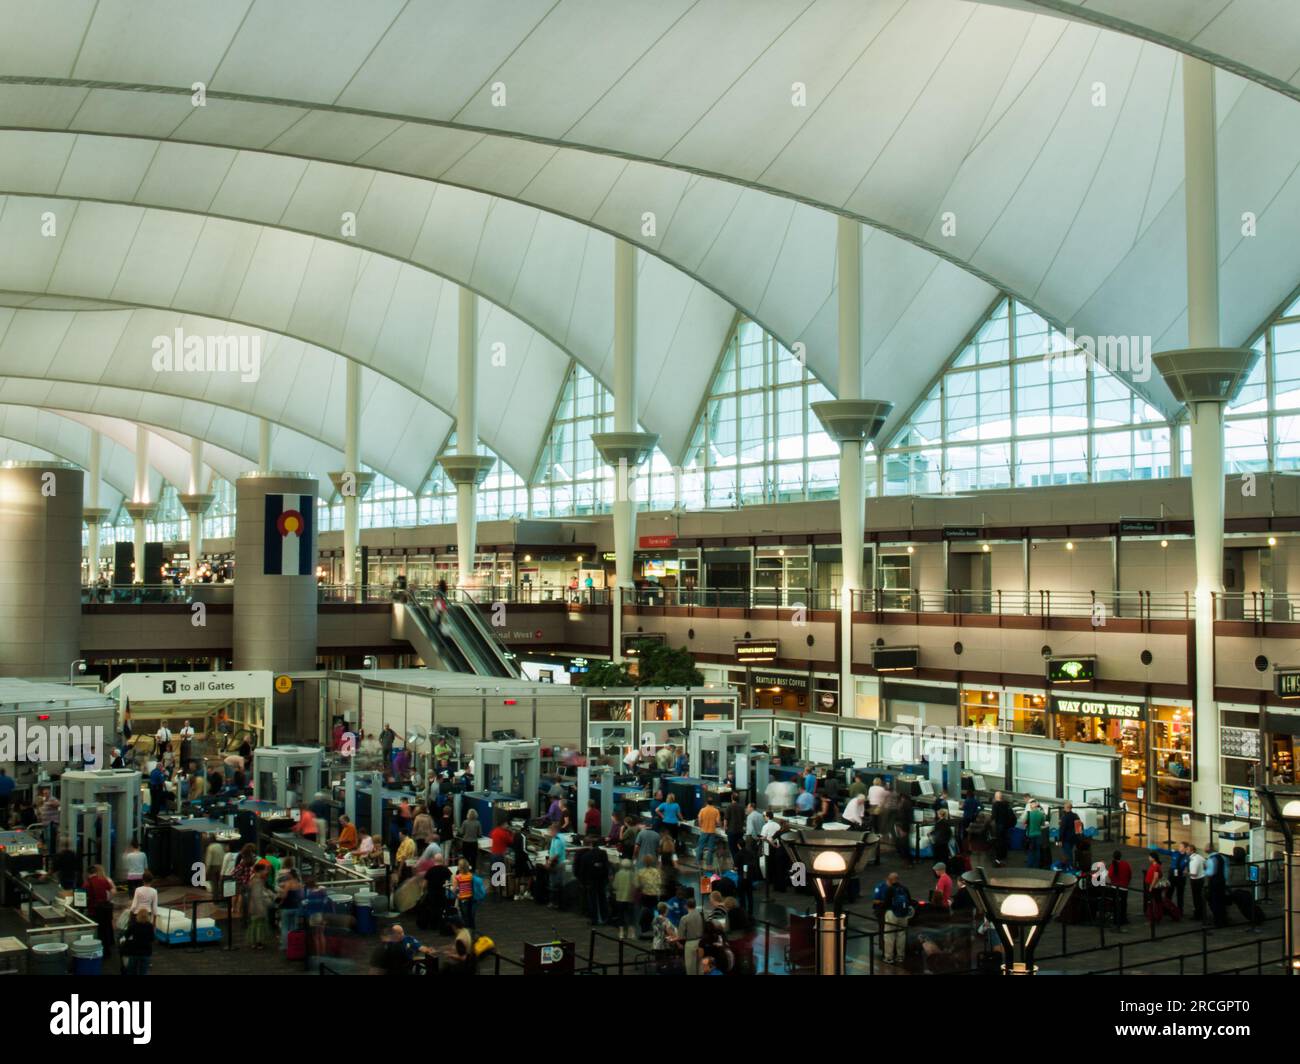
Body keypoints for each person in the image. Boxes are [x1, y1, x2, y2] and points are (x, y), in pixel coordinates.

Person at [574, 835, 610, 925]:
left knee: (592, 900)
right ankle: (605, 917)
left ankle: (594, 919)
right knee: (602, 899)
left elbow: (582, 871)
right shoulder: (603, 853)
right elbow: (606, 867)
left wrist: (583, 882)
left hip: (590, 881)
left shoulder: (585, 856)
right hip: (601, 880)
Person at [881, 872, 913, 965]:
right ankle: (900, 957)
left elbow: (886, 903)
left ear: (890, 880)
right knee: (901, 935)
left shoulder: (890, 889)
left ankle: (889, 957)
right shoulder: (905, 888)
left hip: (892, 914)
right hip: (903, 915)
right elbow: (909, 901)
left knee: (889, 936)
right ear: (898, 879)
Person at [85, 864, 116, 957]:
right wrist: (108, 900)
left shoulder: (87, 883)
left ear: (88, 873)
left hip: (95, 910)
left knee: (97, 931)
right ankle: (107, 951)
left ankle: (97, 951)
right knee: (105, 929)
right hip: (105, 908)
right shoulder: (103, 880)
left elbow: (85, 897)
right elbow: (112, 890)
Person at [635, 854, 662, 937]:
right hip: (655, 895)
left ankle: (643, 929)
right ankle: (658, 927)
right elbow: (659, 883)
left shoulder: (640, 872)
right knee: (655, 911)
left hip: (645, 895)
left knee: (644, 911)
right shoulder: (656, 871)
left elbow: (637, 885)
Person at [122, 908, 154, 976]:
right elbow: (152, 939)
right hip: (146, 952)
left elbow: (126, 935)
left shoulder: (133, 925)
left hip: (134, 951)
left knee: (131, 971)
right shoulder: (150, 926)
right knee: (144, 971)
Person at [612, 857, 637, 938]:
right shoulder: (633, 874)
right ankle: (631, 933)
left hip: (620, 898)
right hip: (630, 898)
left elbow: (614, 886)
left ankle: (621, 932)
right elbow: (636, 885)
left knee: (621, 915)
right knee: (631, 916)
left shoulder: (618, 874)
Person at [1204, 847, 1229, 928]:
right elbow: (1226, 871)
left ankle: (1217, 921)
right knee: (1221, 902)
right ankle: (1223, 920)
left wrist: (1204, 870)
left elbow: (1210, 872)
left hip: (1214, 883)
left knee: (1214, 901)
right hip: (1222, 882)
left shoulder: (1211, 859)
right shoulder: (1223, 857)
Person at [1108, 850, 1133, 929]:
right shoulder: (1125, 864)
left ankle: (1116, 920)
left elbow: (1110, 876)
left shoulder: (1113, 865)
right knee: (1124, 904)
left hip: (1115, 888)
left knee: (1116, 904)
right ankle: (1123, 919)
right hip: (1124, 887)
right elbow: (1129, 874)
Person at [546, 822, 568, 910]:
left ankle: (554, 903)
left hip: (557, 864)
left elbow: (557, 855)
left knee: (554, 884)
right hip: (558, 863)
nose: (549, 832)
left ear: (555, 830)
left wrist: (548, 862)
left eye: (550, 831)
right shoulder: (557, 837)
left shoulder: (558, 840)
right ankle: (557, 903)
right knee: (557, 884)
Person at [991, 790, 1014, 866]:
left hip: (999, 825)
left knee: (999, 840)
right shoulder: (1006, 804)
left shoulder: (995, 805)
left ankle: (999, 856)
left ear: (995, 797)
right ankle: (1004, 855)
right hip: (1006, 825)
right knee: (1004, 840)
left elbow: (994, 815)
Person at [452, 858, 477, 931]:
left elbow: (454, 890)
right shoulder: (471, 875)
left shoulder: (457, 877)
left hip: (463, 899)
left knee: (464, 916)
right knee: (471, 916)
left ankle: (466, 932)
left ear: (459, 867)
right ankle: (473, 930)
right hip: (471, 898)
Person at [1023, 800, 1046, 868]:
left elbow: (1024, 823)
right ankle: (1037, 865)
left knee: (1031, 850)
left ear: (1031, 806)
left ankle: (1029, 865)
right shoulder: (1041, 814)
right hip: (1038, 834)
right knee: (1037, 850)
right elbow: (1042, 824)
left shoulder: (1029, 814)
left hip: (1030, 835)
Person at [512, 829, 534, 901]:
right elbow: (524, 849)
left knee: (517, 876)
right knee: (532, 873)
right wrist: (532, 852)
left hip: (517, 858)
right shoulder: (523, 837)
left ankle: (516, 895)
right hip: (524, 859)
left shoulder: (515, 836)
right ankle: (527, 892)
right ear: (525, 831)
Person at [1058, 801, 1081, 867]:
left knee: (1067, 854)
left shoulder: (1064, 817)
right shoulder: (1076, 816)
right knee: (1071, 852)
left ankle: (1070, 867)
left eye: (1064, 807)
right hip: (1074, 838)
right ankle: (1073, 865)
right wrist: (1078, 838)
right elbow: (1078, 828)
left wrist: (1060, 840)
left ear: (1066, 808)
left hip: (1066, 839)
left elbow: (1062, 830)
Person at [1169, 841, 1189, 914]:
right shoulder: (1175, 853)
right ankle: (1168, 908)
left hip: (1181, 877)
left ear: (1185, 848)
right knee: (1169, 892)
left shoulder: (1187, 857)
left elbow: (1189, 865)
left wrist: (1187, 868)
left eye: (1181, 846)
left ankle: (1180, 910)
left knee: (1180, 894)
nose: (1179, 847)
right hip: (1172, 875)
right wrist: (1157, 848)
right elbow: (1166, 852)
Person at [1188, 843, 1206, 921]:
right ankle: (1201, 913)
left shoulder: (1193, 860)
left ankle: (1198, 915)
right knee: (1200, 897)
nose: (1186, 851)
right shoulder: (1199, 857)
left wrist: (1186, 873)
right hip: (1201, 878)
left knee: (1196, 898)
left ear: (1192, 851)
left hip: (1195, 881)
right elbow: (1205, 863)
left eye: (1187, 850)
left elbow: (1194, 874)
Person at [725, 792, 745, 861]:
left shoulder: (729, 807)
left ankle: (736, 865)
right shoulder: (742, 807)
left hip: (731, 831)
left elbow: (726, 820)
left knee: (733, 849)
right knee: (739, 848)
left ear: (731, 798)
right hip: (740, 831)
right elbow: (743, 819)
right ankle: (740, 863)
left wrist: (725, 829)